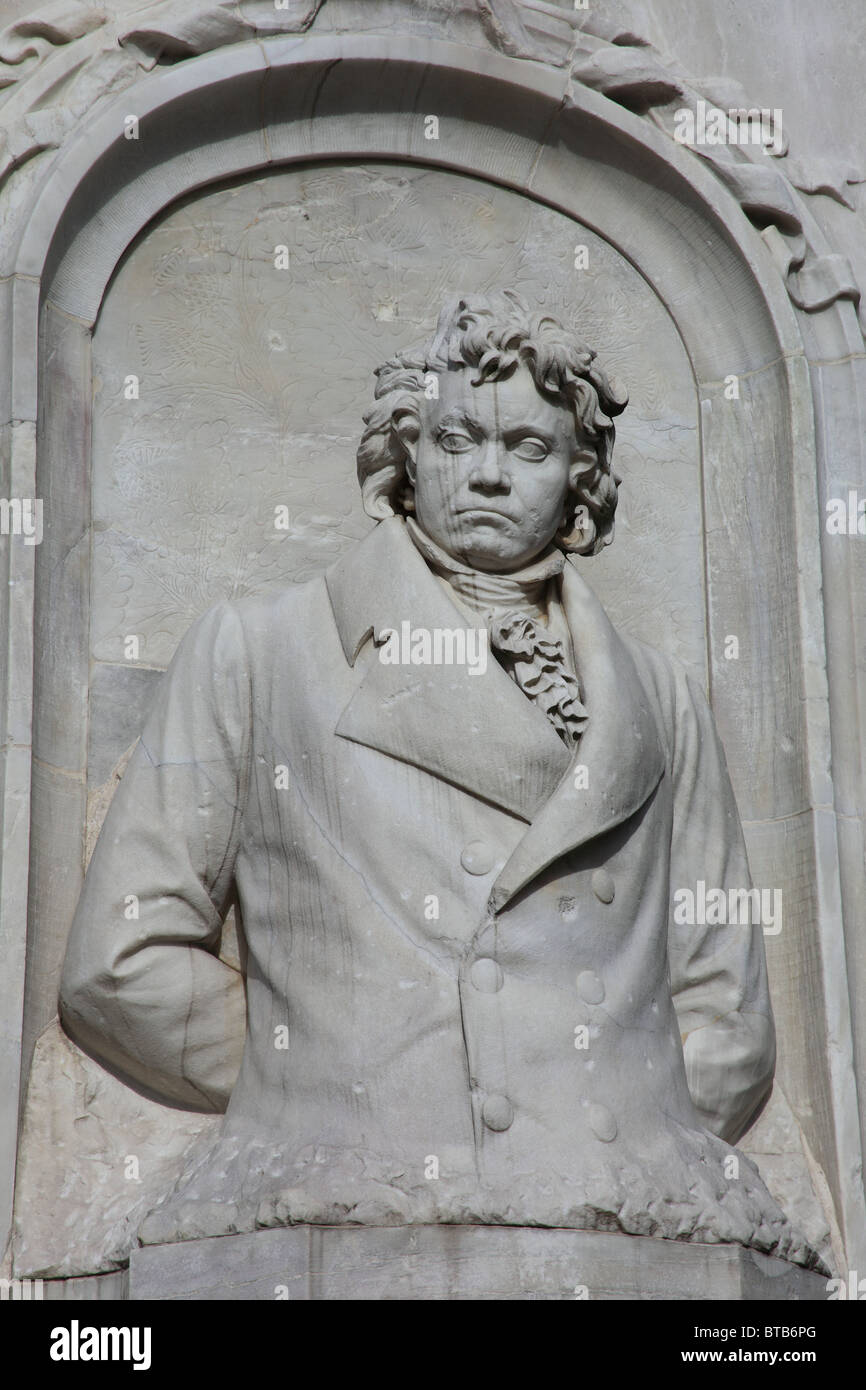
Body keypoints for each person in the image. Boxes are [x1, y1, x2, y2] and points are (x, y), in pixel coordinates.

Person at [60, 291, 816, 1267]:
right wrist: (337, 1072)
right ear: (407, 454)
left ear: (580, 479)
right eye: (458, 439)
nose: (492, 474)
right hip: (333, 1193)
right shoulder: (261, 650)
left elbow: (725, 1013)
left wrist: (600, 1108)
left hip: (636, 1209)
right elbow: (120, 963)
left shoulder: (659, 699)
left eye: (531, 449)